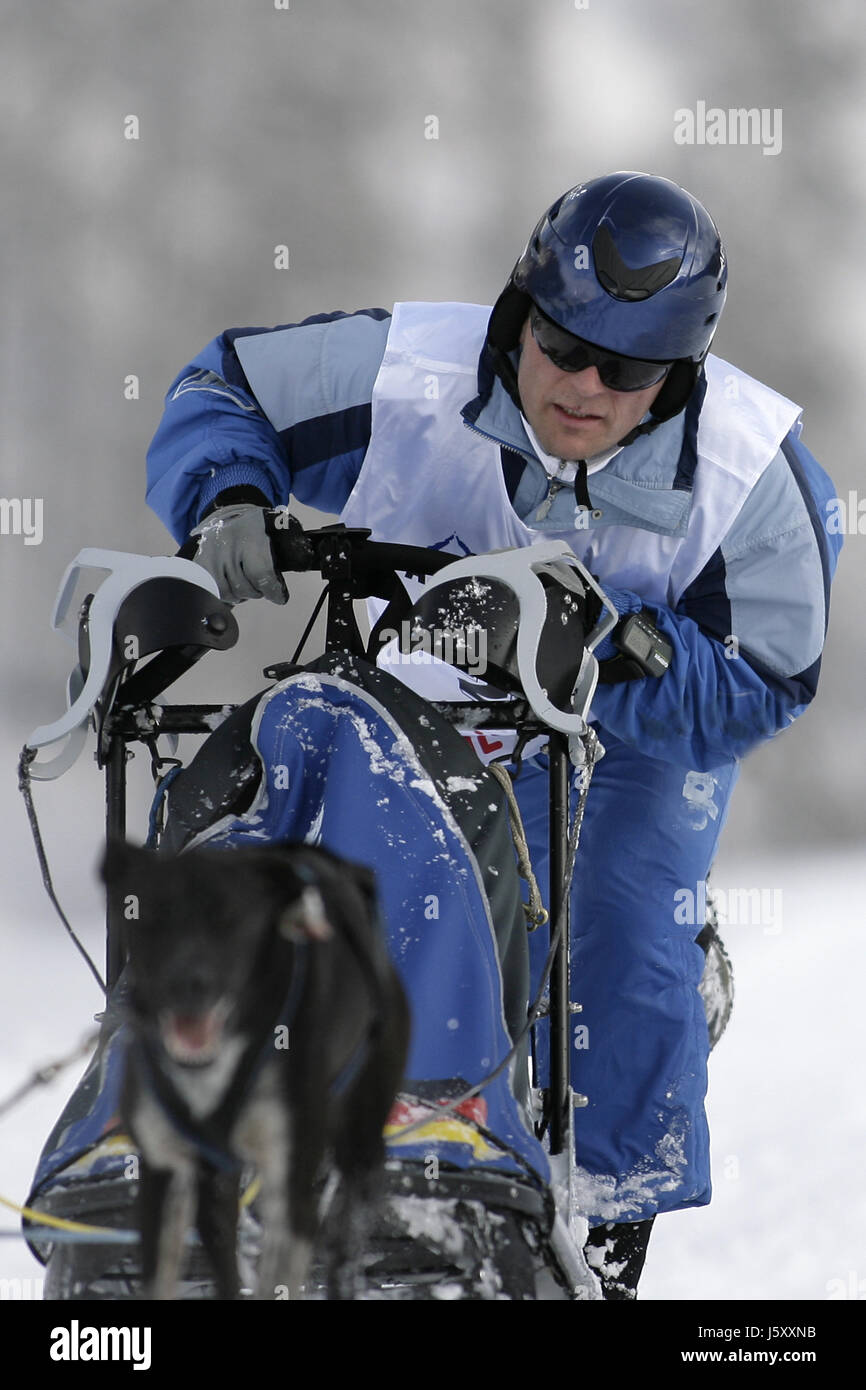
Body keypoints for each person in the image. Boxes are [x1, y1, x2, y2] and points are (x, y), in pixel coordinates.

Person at [144, 171, 841, 1297]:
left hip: (631, 733)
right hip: (404, 703)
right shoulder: (402, 373)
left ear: (679, 374)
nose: (583, 387)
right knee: (350, 907)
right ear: (523, 306)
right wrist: (227, 493)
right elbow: (222, 386)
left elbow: (763, 683)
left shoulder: (753, 475)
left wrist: (601, 650)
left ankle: (602, 1229)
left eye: (627, 372)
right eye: (564, 347)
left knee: (610, 929)